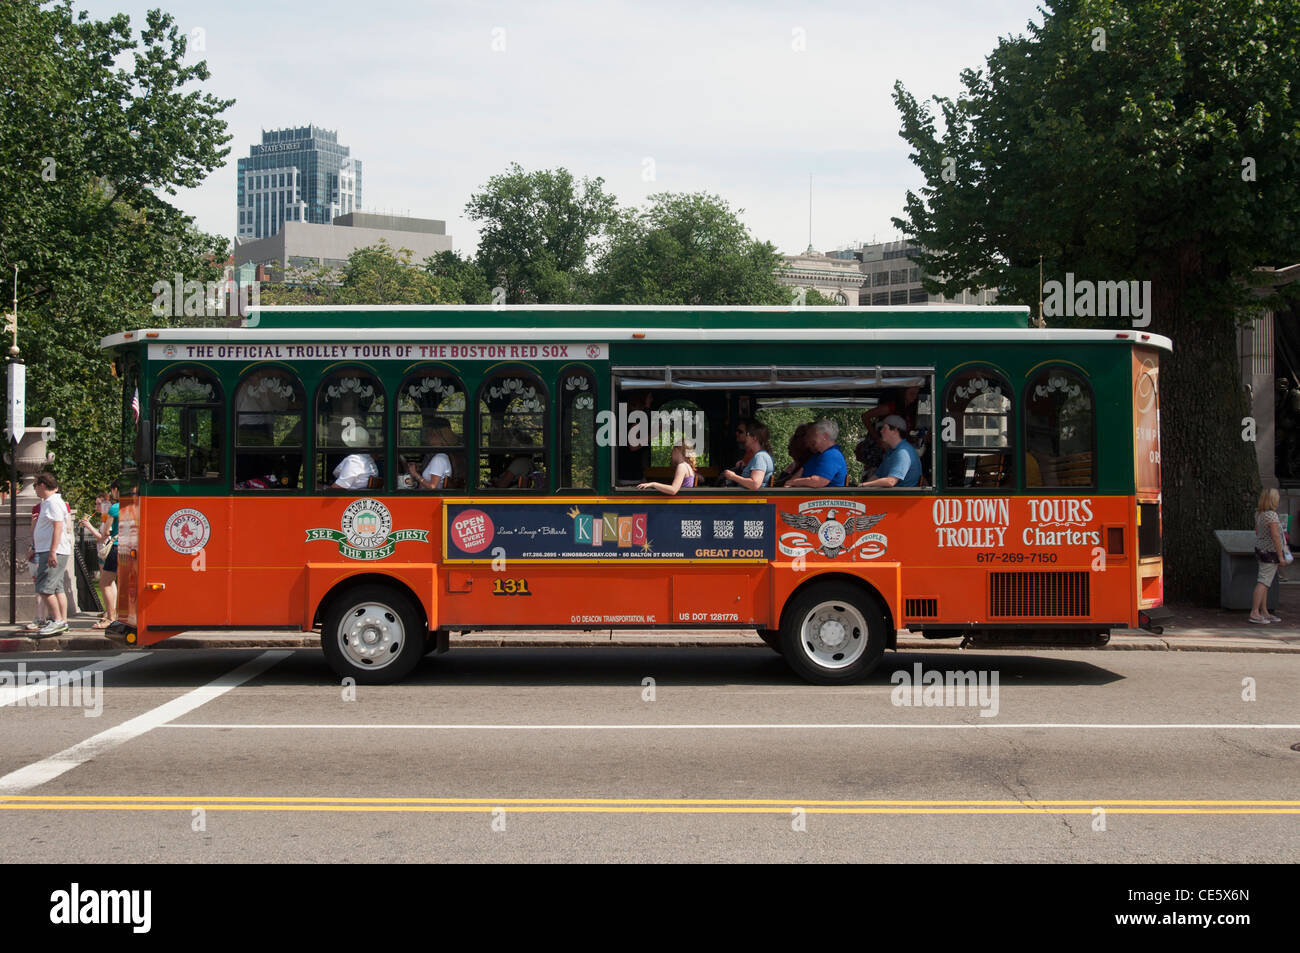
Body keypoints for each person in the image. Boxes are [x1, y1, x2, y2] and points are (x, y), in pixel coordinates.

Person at [30, 472, 72, 637]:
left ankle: (58, 621)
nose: (35, 490)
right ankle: (60, 621)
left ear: (42, 485)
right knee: (55, 587)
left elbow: (58, 527)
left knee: (45, 587)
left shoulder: (53, 502)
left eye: (35, 486)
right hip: (49, 549)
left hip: (53, 550)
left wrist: (53, 551)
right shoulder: (51, 502)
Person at [80, 483, 120, 629]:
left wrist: (90, 526)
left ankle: (110, 617)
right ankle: (115, 614)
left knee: (105, 583)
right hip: (128, 548)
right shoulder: (132, 505)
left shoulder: (114, 509)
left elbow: (105, 534)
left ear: (116, 490)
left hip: (115, 548)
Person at [1251, 488, 1287, 624]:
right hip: (1270, 552)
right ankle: (1255, 612)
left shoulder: (1259, 514)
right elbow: (1276, 536)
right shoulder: (1272, 515)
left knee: (1265, 582)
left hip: (1261, 550)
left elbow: (1257, 531)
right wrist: (1281, 555)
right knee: (1264, 581)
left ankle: (1264, 611)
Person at [861, 415, 922, 487]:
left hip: (901, 497)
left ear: (895, 431)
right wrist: (862, 488)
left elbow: (891, 481)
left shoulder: (903, 452)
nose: (881, 431)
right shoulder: (891, 452)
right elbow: (877, 476)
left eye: (884, 428)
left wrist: (863, 485)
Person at [786, 419, 847, 488]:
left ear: (825, 436)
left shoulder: (832, 455)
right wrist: (790, 483)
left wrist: (794, 482)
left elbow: (818, 481)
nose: (809, 439)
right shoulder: (816, 455)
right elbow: (800, 473)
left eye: (813, 435)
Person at [722, 422, 774, 489]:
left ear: (754, 438)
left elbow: (755, 484)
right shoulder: (761, 455)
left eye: (747, 434)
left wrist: (733, 476)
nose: (746, 437)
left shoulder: (760, 457)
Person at [408, 418, 455, 490]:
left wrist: (415, 474)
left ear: (440, 437)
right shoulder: (440, 455)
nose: (428, 437)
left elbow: (432, 487)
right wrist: (419, 469)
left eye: (431, 435)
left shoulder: (439, 459)